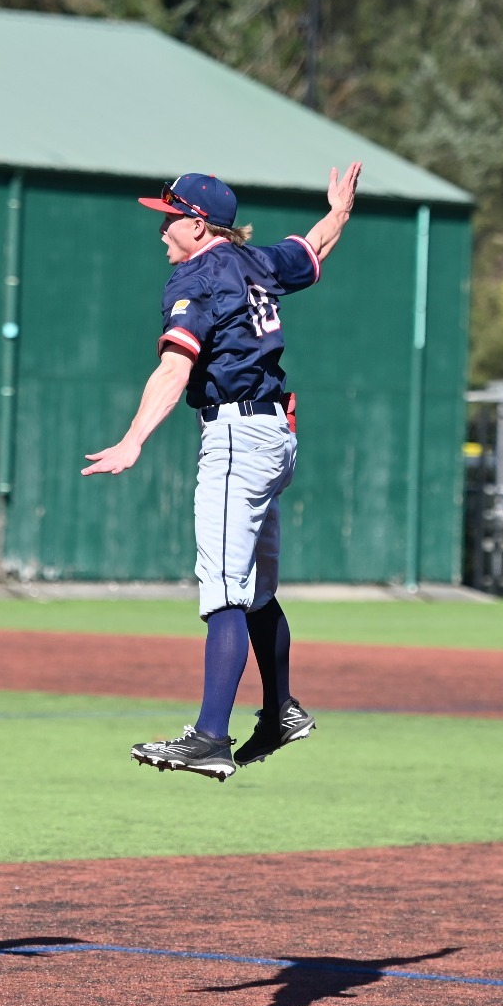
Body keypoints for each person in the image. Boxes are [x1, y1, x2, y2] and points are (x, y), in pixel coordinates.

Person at [83, 164, 361, 781]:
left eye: (169, 217)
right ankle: (281, 710)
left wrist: (133, 440)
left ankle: (211, 736)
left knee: (224, 591)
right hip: (275, 437)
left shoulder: (198, 276)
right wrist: (339, 211)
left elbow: (175, 369)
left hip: (237, 436)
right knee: (257, 592)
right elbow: (311, 249)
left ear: (199, 225)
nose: (161, 228)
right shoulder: (256, 261)